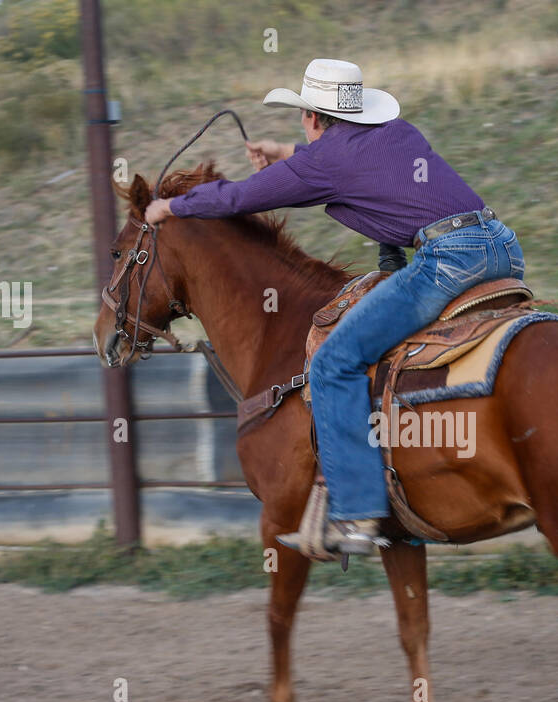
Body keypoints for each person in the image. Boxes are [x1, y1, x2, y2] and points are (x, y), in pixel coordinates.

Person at [145, 58, 525, 557]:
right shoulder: (395, 132)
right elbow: (357, 164)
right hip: (498, 246)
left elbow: (239, 198)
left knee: (332, 363)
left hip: (448, 263)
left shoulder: (324, 163)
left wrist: (173, 207)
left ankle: (356, 516)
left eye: (302, 116)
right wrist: (287, 154)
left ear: (312, 117)